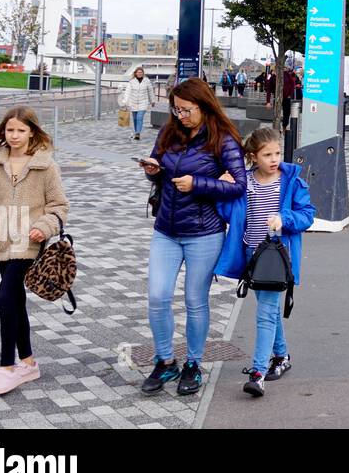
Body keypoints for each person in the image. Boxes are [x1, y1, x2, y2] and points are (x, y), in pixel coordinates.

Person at [138, 78, 246, 396]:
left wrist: (198, 183)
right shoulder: (169, 133)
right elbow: (157, 162)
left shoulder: (223, 140)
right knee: (158, 297)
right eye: (176, 109)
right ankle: (165, 361)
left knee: (194, 301)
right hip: (167, 230)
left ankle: (193, 364)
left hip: (204, 232)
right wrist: (152, 169)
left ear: (202, 105)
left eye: (186, 110)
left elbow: (239, 185)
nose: (180, 115)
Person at [0, 107, 68, 396]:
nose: (15, 135)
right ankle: (29, 363)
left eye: (20, 130)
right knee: (15, 301)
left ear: (32, 131)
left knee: (4, 296)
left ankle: (7, 367)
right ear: (3, 132)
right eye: (10, 130)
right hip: (1, 244)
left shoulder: (46, 166)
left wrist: (43, 227)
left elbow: (59, 207)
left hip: (29, 244)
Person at [215, 127, 316, 397]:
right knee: (268, 310)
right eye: (267, 154)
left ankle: (258, 372)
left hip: (277, 257)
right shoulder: (244, 182)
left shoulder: (291, 181)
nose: (274, 159)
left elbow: (307, 215)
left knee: (265, 313)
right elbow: (228, 215)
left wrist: (285, 218)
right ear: (252, 156)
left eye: (277, 153)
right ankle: (281, 356)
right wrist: (224, 189)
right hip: (252, 255)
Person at [118, 66, 156, 141]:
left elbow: (150, 91)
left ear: (143, 73)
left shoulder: (147, 81)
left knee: (139, 118)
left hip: (143, 102)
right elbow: (127, 93)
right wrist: (125, 102)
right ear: (135, 73)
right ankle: (136, 132)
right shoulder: (131, 82)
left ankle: (138, 133)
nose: (140, 74)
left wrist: (152, 101)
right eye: (138, 72)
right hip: (133, 102)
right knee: (135, 118)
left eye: (141, 72)